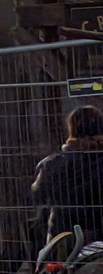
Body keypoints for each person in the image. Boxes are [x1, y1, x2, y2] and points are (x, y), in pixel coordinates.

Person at [32, 104, 103, 247]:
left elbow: (38, 195)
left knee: (42, 218)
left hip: (63, 234)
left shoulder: (51, 164)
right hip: (100, 230)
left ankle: (43, 267)